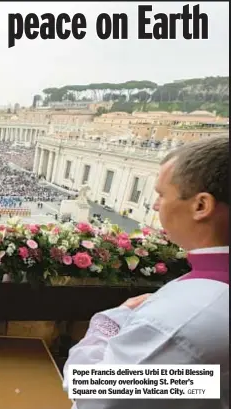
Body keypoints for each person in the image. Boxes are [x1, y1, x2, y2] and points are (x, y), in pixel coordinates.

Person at [63, 136, 229, 409]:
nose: (154, 205)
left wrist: (112, 322)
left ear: (201, 206)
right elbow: (206, 385)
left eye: (162, 194)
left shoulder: (181, 319)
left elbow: (93, 392)